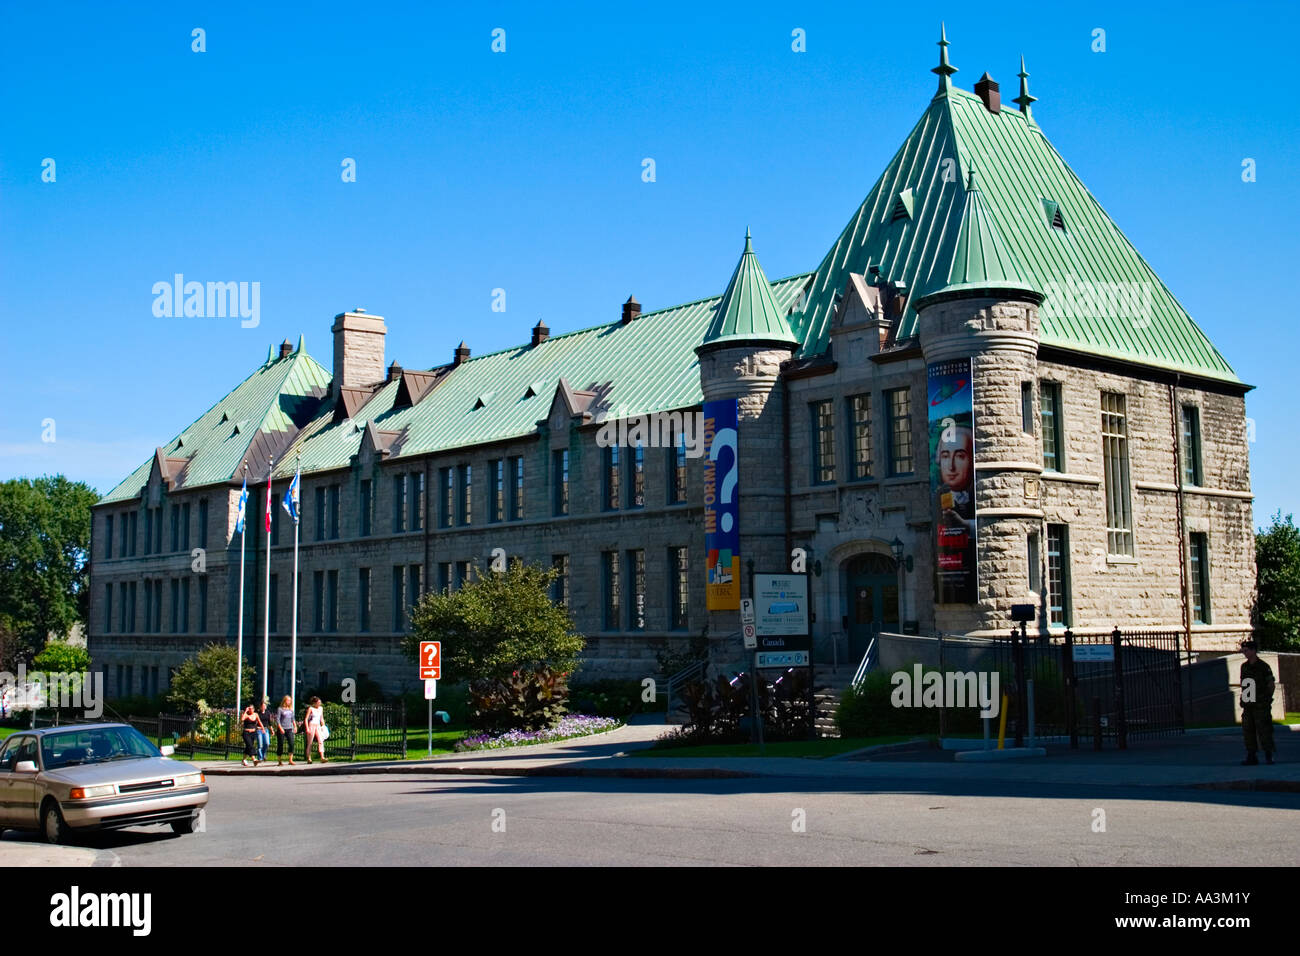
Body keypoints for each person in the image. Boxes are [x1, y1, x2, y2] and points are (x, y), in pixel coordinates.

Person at [1239, 640, 1276, 765]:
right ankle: (1251, 755)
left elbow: (1271, 684)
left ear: (1253, 650)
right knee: (1248, 730)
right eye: (1243, 651)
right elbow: (1244, 685)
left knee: (1264, 729)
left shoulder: (1263, 666)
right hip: (1248, 704)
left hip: (1261, 704)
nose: (1245, 653)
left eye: (1246, 650)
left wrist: (1266, 699)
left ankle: (1268, 754)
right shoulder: (1244, 667)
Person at [303, 696, 327, 764]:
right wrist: (307, 728)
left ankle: (322, 757)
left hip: (318, 725)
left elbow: (321, 718)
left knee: (321, 741)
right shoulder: (311, 709)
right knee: (310, 742)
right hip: (312, 725)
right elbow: (306, 719)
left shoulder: (321, 709)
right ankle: (309, 758)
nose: (320, 704)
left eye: (320, 702)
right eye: (318, 702)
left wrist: (323, 726)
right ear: (315, 703)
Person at [275, 695, 298, 766]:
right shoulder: (280, 709)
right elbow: (278, 719)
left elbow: (293, 719)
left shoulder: (291, 710)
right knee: (280, 744)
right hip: (282, 728)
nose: (289, 702)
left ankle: (290, 760)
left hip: (289, 728)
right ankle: (279, 760)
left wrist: (295, 726)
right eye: (288, 700)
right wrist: (280, 728)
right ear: (284, 701)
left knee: (291, 743)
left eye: (290, 700)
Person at [239, 703, 264, 767]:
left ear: (254, 709)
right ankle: (254, 759)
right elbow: (242, 719)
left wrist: (263, 728)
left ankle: (243, 760)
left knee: (248, 747)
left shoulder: (256, 714)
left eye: (251, 709)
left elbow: (259, 721)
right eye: (249, 709)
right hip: (246, 733)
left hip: (253, 732)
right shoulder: (246, 715)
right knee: (250, 745)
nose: (250, 710)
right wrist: (245, 711)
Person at [255, 697, 273, 763]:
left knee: (267, 743)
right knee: (260, 744)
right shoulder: (258, 713)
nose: (263, 707)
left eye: (264, 706)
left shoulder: (267, 713)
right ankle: (260, 758)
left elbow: (269, 722)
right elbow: (255, 722)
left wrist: (272, 730)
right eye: (262, 706)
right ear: (260, 707)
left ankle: (264, 754)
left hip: (265, 729)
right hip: (259, 729)